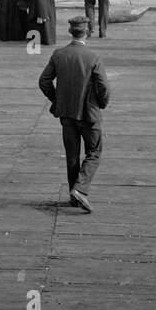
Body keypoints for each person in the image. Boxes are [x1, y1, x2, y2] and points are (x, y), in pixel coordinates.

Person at [38, 16, 110, 213]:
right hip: (89, 114)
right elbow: (104, 87)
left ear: (71, 32)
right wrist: (101, 103)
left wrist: (57, 100)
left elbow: (44, 81)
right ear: (86, 32)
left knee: (72, 156)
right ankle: (79, 189)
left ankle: (74, 195)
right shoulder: (93, 57)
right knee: (94, 152)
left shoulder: (58, 54)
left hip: (67, 113)